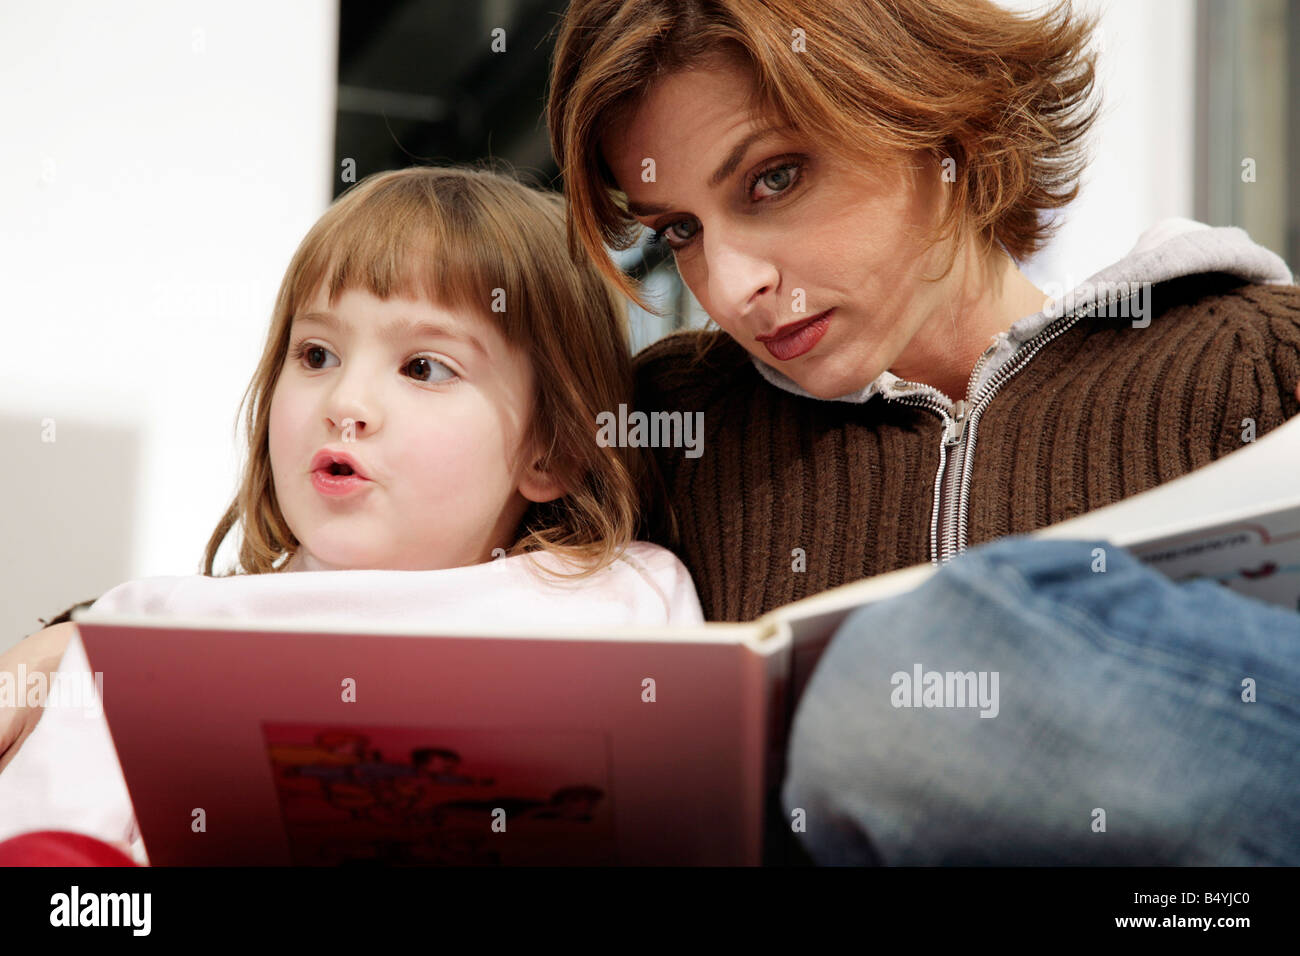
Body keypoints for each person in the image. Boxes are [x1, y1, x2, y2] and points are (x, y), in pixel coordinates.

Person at [546, 0, 1300, 862]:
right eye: (680, 229)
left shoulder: (1265, 362)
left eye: (774, 178)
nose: (732, 284)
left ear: (933, 116)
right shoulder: (661, 432)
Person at [0, 165, 704, 863]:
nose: (345, 402)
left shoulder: (625, 598)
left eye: (423, 367)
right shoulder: (143, 628)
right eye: (316, 354)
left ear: (551, 452)